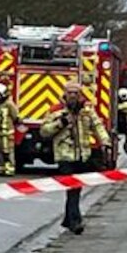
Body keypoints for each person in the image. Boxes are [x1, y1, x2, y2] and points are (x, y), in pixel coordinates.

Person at [40, 82, 110, 234]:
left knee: (75, 189)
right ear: (64, 94)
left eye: (76, 93)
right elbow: (44, 131)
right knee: (72, 188)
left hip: (82, 155)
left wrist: (105, 141)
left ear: (80, 95)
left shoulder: (87, 111)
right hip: (64, 156)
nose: (72, 95)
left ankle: (68, 219)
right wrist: (61, 123)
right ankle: (75, 222)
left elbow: (97, 126)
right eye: (70, 92)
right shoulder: (56, 111)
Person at [0, 84, 20, 176]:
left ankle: (9, 169)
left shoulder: (9, 104)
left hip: (6, 132)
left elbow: (15, 116)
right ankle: (0, 168)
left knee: (7, 151)